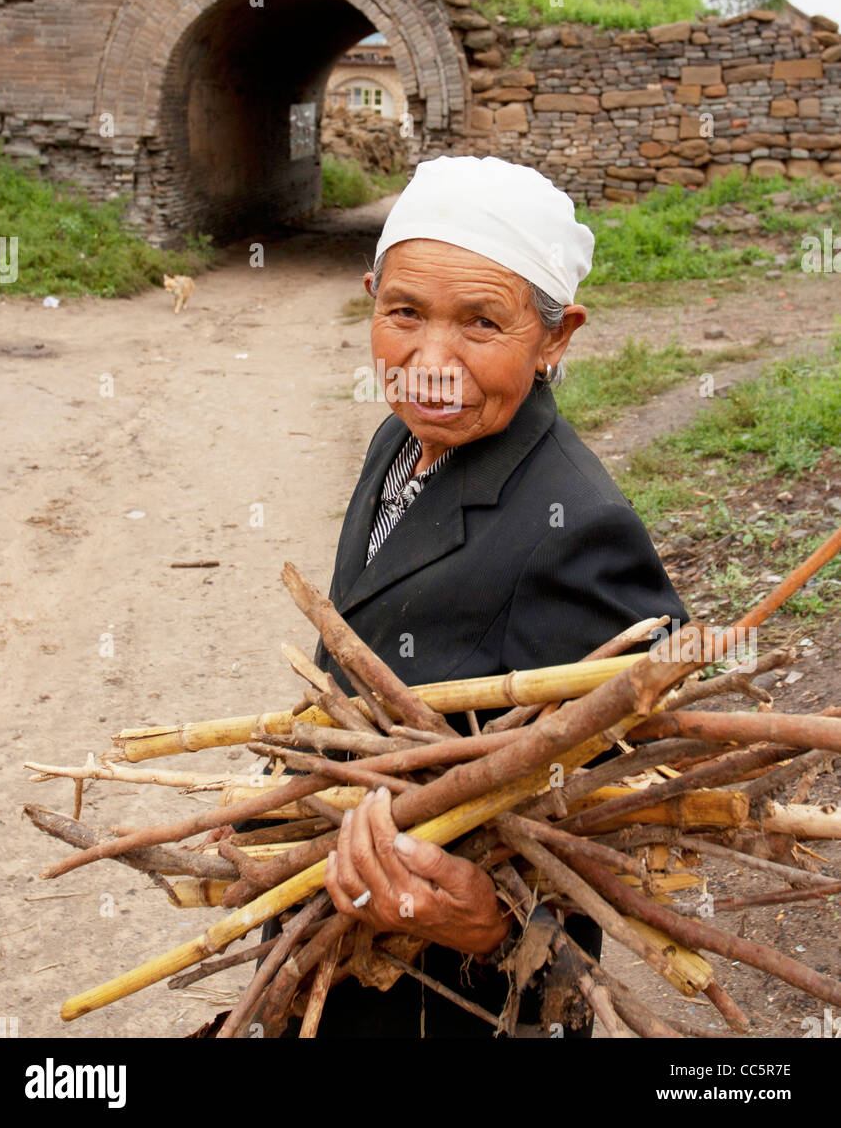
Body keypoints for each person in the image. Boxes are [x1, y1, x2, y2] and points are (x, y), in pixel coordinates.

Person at [276, 155, 689, 1036]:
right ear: (371, 298)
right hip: (342, 918)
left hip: (452, 990)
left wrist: (497, 923)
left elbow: (627, 805)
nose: (430, 363)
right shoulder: (403, 436)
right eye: (404, 315)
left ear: (556, 336)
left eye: (482, 323)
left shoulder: (577, 527)